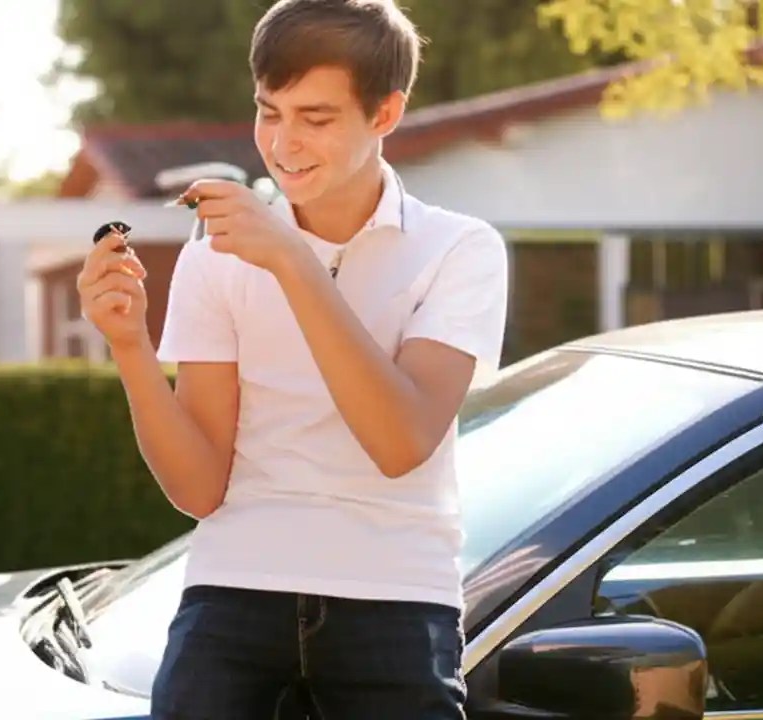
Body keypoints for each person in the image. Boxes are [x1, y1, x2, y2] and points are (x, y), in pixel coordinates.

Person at [76, 0, 509, 717]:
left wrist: (292, 262)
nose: (283, 144)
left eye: (316, 117)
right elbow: (199, 488)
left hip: (395, 601)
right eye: (269, 112)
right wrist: (129, 347)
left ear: (386, 114)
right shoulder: (214, 256)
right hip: (232, 592)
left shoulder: (460, 250)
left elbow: (400, 441)